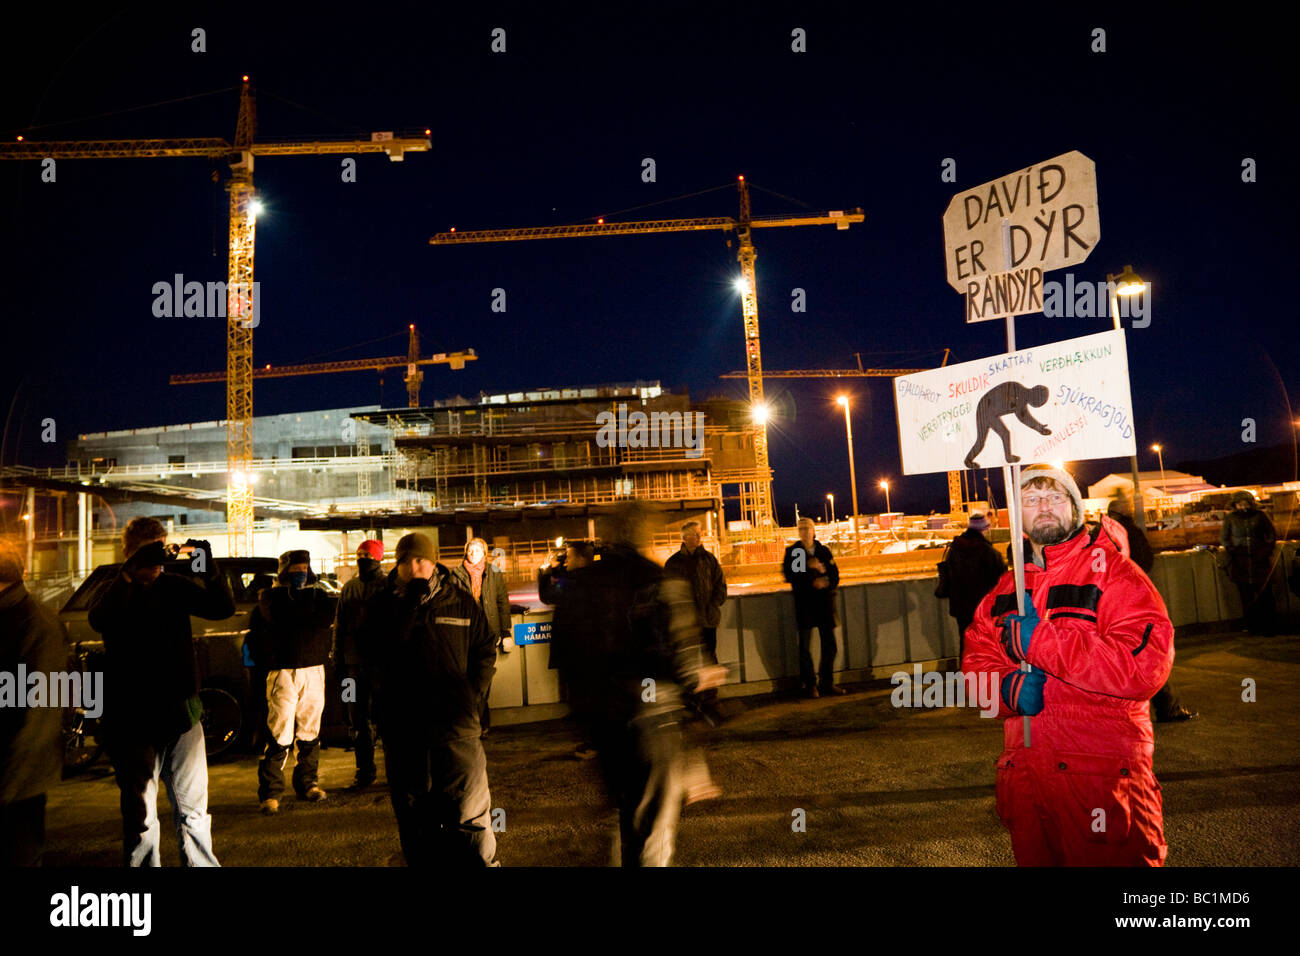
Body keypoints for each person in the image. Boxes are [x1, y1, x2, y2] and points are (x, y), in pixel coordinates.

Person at [963, 465, 1174, 866]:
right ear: (1018, 516)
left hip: (1102, 782)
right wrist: (1005, 691)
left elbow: (1144, 668)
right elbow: (975, 667)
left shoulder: (1116, 574)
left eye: (1055, 496)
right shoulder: (1006, 589)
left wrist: (1042, 642)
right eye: (1030, 499)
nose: (1043, 506)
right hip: (1028, 782)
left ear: (1076, 509)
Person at [551, 503, 724, 866]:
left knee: (625, 814)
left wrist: (585, 711)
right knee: (653, 832)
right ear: (645, 534)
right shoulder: (657, 581)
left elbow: (564, 653)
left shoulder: (582, 585)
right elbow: (681, 655)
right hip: (651, 720)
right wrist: (702, 684)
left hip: (603, 720)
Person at [87, 518, 230, 867]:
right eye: (147, 552)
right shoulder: (113, 590)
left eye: (161, 550)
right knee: (141, 817)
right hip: (133, 719)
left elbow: (221, 608)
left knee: (194, 811)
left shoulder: (174, 585)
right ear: (129, 553)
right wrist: (127, 576)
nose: (156, 562)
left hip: (183, 713)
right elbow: (98, 619)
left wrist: (206, 565)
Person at [361, 532, 498, 867]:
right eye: (405, 561)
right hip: (405, 733)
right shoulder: (382, 605)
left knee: (470, 817)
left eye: (420, 559)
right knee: (415, 820)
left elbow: (484, 647)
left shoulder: (460, 600)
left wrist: (472, 694)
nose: (413, 566)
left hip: (457, 730)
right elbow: (370, 656)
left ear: (434, 560)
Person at [248, 549, 336, 814]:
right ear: (284, 572)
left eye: (304, 569)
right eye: (295, 570)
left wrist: (303, 602)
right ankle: (271, 793)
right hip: (282, 672)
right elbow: (281, 620)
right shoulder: (269, 598)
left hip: (313, 669)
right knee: (279, 730)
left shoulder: (318, 595)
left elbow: (323, 620)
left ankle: (308, 782)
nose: (300, 574)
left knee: (310, 729)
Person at [0, 537, 64, 866]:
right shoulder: (22, 616)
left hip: (16, 777)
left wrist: (10, 781)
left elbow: (36, 712)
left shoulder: (30, 623)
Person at [1105, 497, 1196, 723]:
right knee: (1150, 653)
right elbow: (1144, 558)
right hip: (1132, 601)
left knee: (1121, 658)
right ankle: (1168, 707)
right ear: (1122, 510)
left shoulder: (1101, 533)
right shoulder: (1129, 531)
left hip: (1112, 603)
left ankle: (1122, 713)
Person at [334, 539, 387, 790]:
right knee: (359, 720)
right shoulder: (350, 588)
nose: (362, 558)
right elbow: (340, 626)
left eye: (367, 554)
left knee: (386, 719)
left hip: (380, 665)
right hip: (355, 666)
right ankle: (365, 773)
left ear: (377, 557)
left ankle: (391, 772)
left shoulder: (388, 586)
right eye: (360, 554)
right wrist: (339, 657)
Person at [449, 537, 514, 737]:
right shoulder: (455, 574)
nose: (473, 554)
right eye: (470, 550)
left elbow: (502, 602)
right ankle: (476, 724)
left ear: (484, 553)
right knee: (468, 680)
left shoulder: (493, 572)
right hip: (465, 635)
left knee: (484, 680)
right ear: (465, 552)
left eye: (477, 551)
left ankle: (480, 722)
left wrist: (505, 631)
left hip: (488, 633)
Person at [540, 539, 599, 759]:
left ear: (581, 559)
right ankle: (594, 741)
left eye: (570, 556)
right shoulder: (593, 579)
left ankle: (593, 743)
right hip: (590, 650)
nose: (566, 561)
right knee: (591, 698)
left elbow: (548, 595)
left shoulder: (575, 582)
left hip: (576, 650)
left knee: (584, 699)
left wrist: (546, 572)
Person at [782, 517, 843, 697]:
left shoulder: (823, 551)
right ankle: (810, 685)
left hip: (824, 605)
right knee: (805, 649)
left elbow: (835, 576)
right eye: (801, 529)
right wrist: (813, 577)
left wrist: (823, 577)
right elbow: (793, 576)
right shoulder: (796, 552)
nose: (804, 532)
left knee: (830, 646)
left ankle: (827, 683)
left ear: (813, 530)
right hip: (806, 606)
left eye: (807, 528)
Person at [663, 522, 727, 667]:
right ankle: (692, 689)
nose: (699, 536)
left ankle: (710, 689)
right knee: (687, 661)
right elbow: (667, 591)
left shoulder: (709, 560)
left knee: (709, 658)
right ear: (684, 537)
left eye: (700, 533)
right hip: (685, 623)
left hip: (707, 619)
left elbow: (720, 585)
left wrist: (711, 606)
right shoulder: (673, 563)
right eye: (695, 533)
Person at [939, 511, 1006, 643]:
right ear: (983, 530)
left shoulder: (955, 548)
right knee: (984, 644)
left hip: (961, 607)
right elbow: (1001, 578)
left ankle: (964, 663)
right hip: (983, 607)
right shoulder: (988, 551)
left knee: (965, 641)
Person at [1220, 491, 1278, 636]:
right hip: (1241, 563)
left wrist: (1265, 551)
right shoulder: (1230, 519)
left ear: (1251, 504)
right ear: (1235, 505)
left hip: (1260, 561)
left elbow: (1271, 535)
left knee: (1266, 594)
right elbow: (1224, 538)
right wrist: (1233, 551)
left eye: (1246, 504)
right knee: (1246, 596)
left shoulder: (1261, 516)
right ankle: (1252, 626)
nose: (1243, 507)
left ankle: (1269, 625)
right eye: (1240, 504)